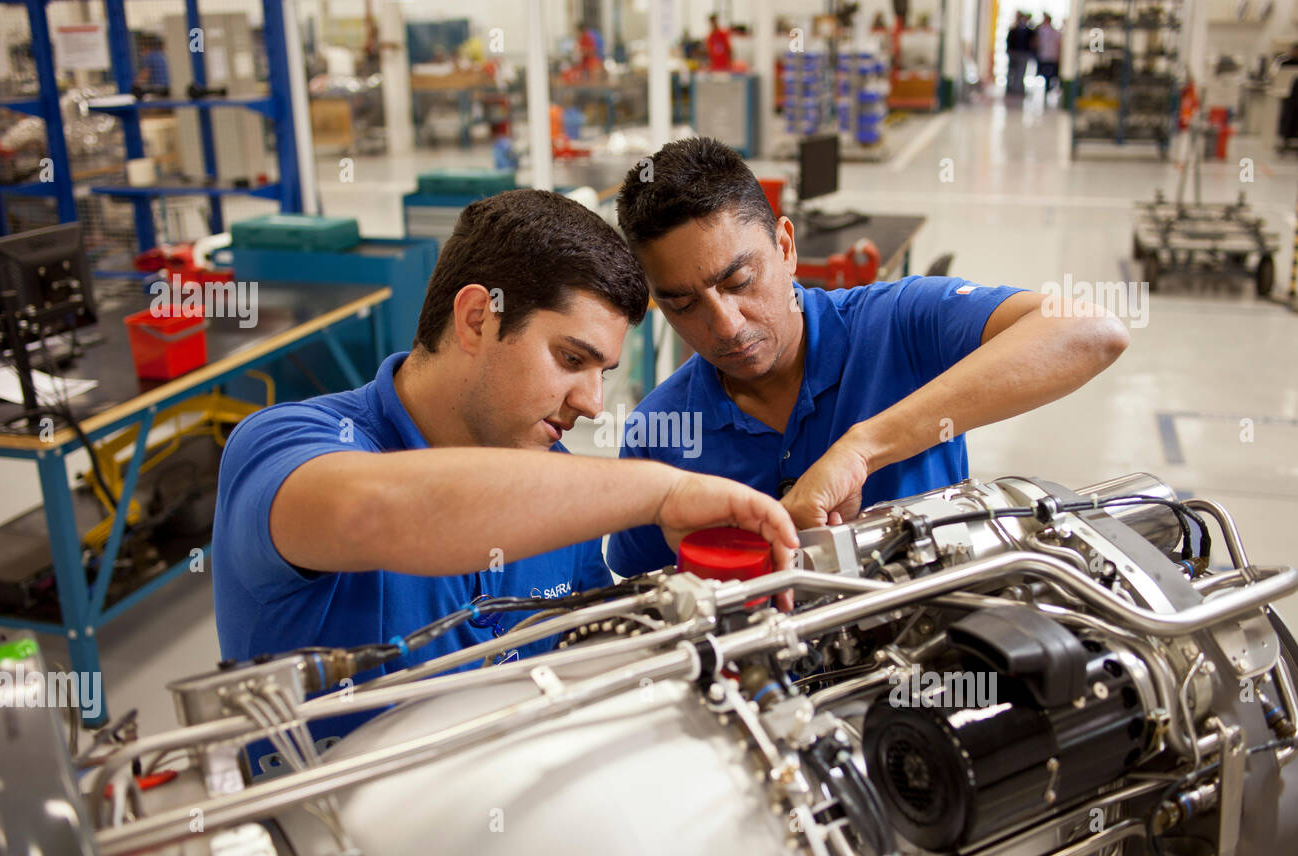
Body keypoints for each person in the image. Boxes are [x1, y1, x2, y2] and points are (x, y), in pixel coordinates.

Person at [212, 188, 798, 758]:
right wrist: (661, 492)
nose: (594, 403)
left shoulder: (556, 483)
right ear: (475, 318)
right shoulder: (284, 443)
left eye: (604, 372)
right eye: (572, 359)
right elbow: (372, 512)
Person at [605, 137, 1130, 577]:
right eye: (683, 303)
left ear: (786, 248)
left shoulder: (899, 323)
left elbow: (1092, 330)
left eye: (739, 281)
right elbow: (642, 603)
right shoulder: (660, 433)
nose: (725, 324)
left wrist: (861, 450)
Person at [1033, 13, 1061, 97]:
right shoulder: (1048, 31)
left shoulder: (1045, 31)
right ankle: (1047, 88)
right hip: (1046, 55)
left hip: (1048, 55)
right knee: (1046, 73)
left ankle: (1048, 88)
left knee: (1048, 73)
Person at [1006, 12, 1033, 97]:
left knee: (1021, 72)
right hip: (1013, 53)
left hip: (1023, 54)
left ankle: (1018, 88)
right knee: (1012, 71)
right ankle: (1010, 88)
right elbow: (1009, 40)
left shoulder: (1029, 31)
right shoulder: (1013, 29)